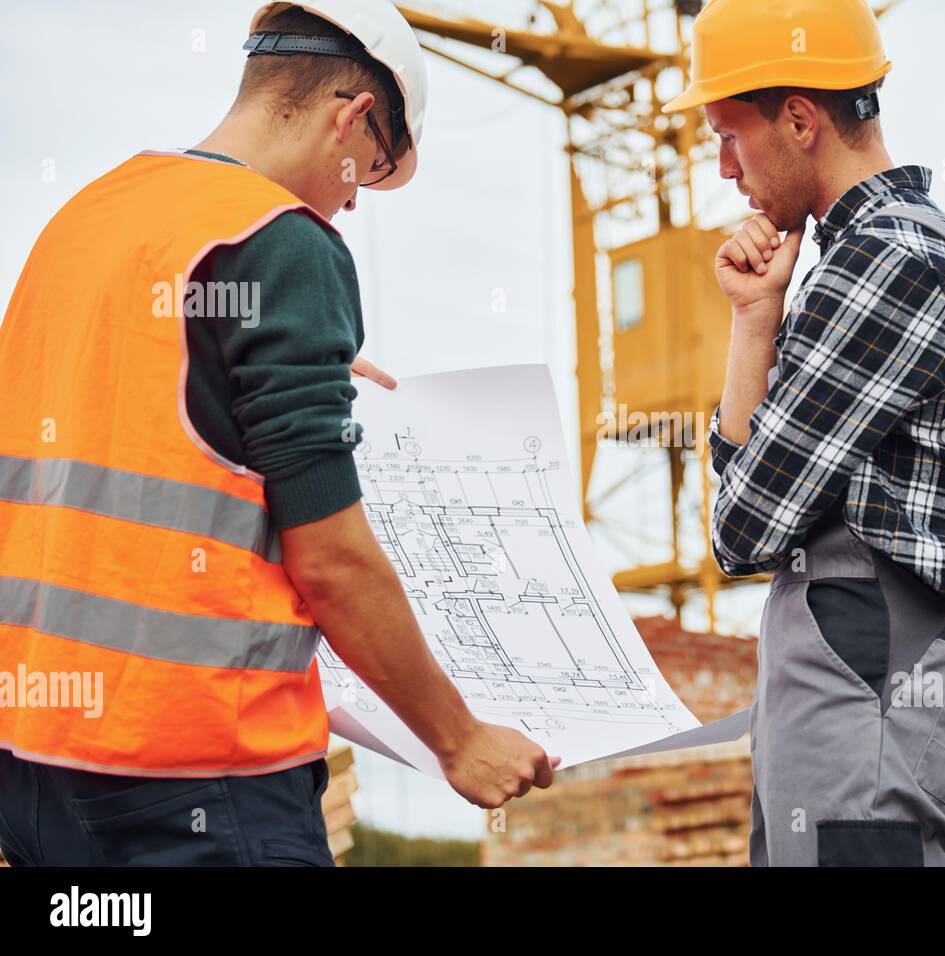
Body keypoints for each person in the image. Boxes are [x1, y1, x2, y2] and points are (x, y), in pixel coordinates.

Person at [0, 0, 556, 867]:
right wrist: (458, 739)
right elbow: (330, 557)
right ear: (353, 117)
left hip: (36, 773)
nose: (351, 205)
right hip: (196, 779)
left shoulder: (81, 222)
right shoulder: (282, 243)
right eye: (365, 174)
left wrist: (277, 385)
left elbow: (128, 429)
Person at [663, 0, 945, 866]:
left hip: (868, 685)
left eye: (730, 135)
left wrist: (759, 342)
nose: (722, 167)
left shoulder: (887, 262)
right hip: (858, 680)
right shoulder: (870, 255)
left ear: (798, 118)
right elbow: (750, 520)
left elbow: (742, 528)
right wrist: (756, 320)